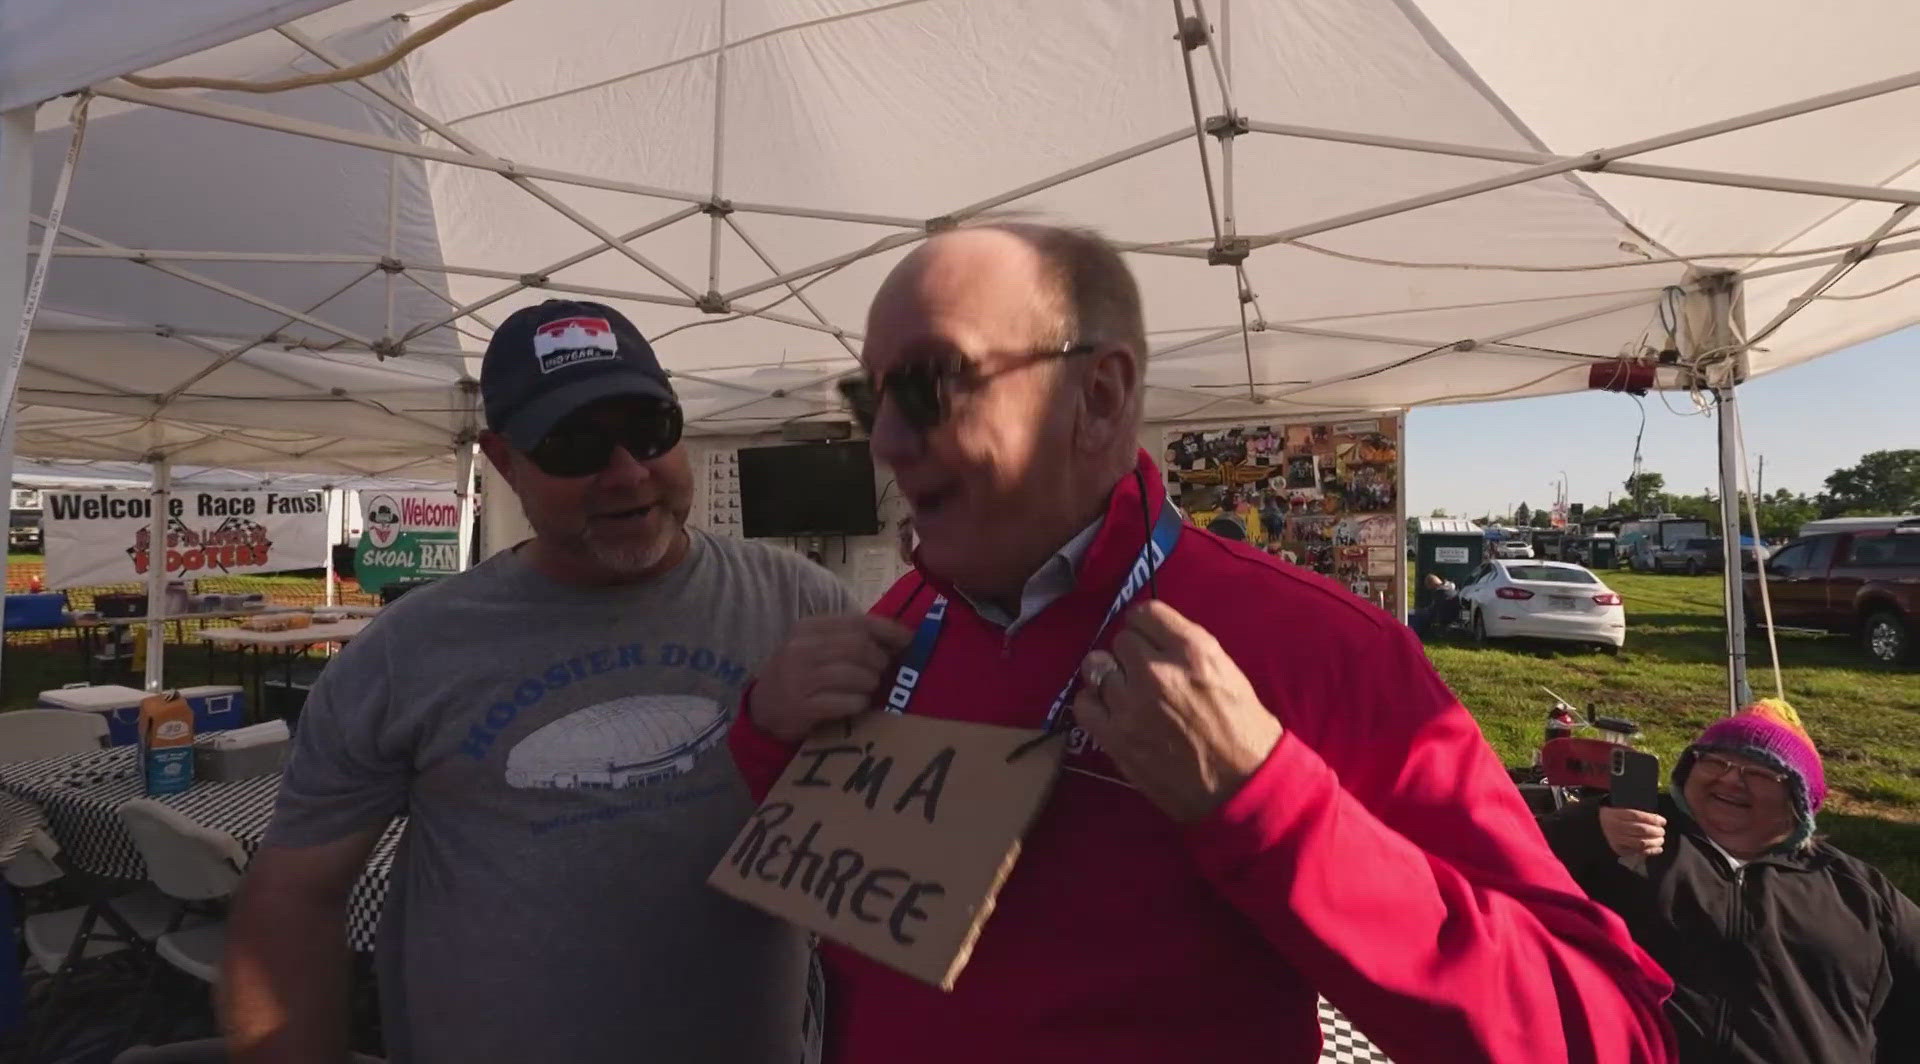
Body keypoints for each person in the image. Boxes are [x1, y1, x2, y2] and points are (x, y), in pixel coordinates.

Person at [730, 222, 1675, 1062]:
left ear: (1100, 396)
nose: (885, 444)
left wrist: (1271, 808)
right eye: (871, 401)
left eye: (931, 388)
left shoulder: (1317, 646)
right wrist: (770, 740)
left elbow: (1608, 1037)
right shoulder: (901, 620)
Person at [223, 300, 853, 1063]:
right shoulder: (407, 651)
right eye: (574, 444)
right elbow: (293, 898)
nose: (627, 473)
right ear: (503, 460)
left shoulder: (800, 604)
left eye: (651, 429)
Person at [1543, 701, 1919, 1062]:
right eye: (1715, 762)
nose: (1730, 779)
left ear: (1798, 800)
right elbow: (1519, 866)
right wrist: (1585, 831)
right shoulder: (1626, 836)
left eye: (1758, 772)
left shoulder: (1856, 888)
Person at [1409, 572, 1461, 638]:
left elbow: (1434, 610)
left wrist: (1421, 611)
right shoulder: (1450, 588)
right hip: (1453, 615)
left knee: (1416, 615)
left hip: (1445, 617)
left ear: (1431, 584)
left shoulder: (1440, 593)